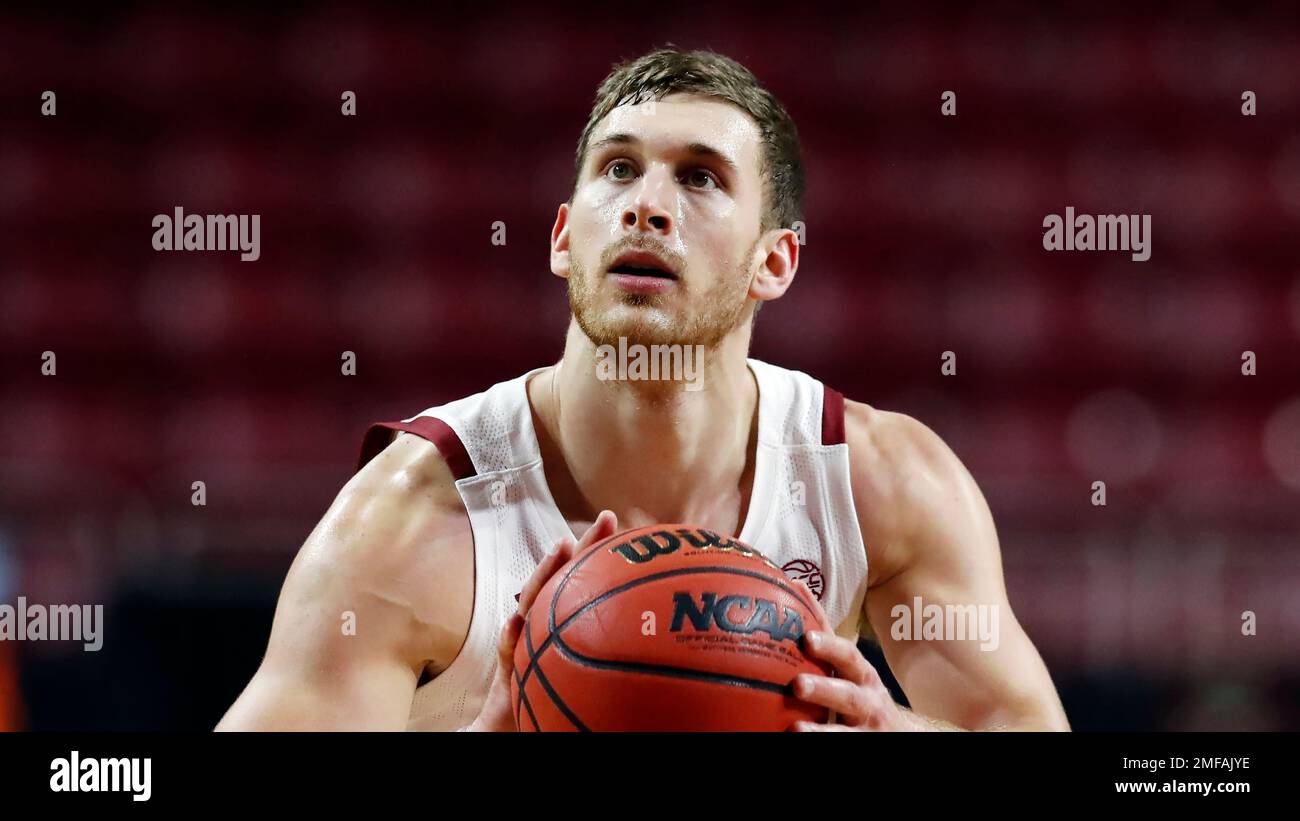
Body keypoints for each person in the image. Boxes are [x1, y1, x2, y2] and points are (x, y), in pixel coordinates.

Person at [217, 47, 1070, 732]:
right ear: (562, 236)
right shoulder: (410, 516)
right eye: (618, 170)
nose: (647, 206)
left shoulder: (879, 478)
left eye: (699, 178)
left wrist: (891, 729)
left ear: (775, 261)